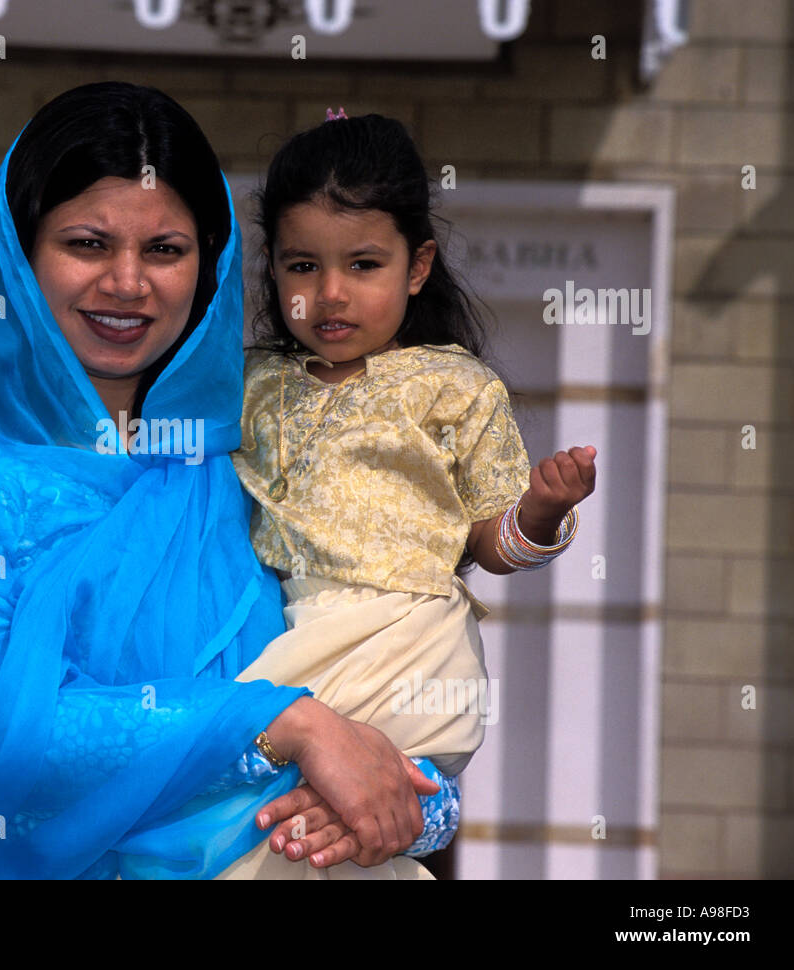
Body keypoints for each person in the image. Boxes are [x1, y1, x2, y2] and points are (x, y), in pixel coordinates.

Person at [0, 82, 447, 879]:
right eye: (88, 244)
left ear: (209, 266)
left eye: (164, 250)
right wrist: (283, 727)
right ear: (20, 253)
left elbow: (409, 711)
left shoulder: (262, 455)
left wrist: (385, 811)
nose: (127, 283)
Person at [220, 109, 598, 878]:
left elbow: (491, 546)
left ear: (416, 266)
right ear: (272, 269)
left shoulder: (455, 388)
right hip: (296, 631)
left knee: (372, 805)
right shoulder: (250, 386)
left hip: (411, 638)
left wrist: (541, 510)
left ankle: (370, 808)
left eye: (363, 265)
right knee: (261, 797)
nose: (330, 294)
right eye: (301, 267)